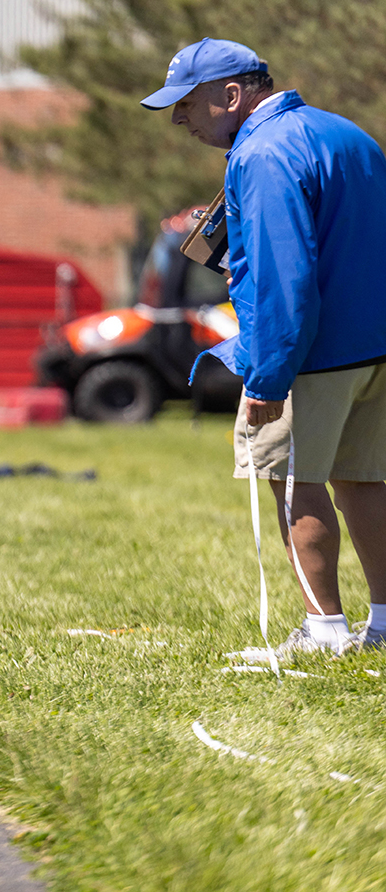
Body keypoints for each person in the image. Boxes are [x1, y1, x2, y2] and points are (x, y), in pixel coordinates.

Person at [144, 37, 386, 657]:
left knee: (291, 479)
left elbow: (286, 277)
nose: (179, 121)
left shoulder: (261, 153)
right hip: (375, 347)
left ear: (230, 95)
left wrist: (266, 378)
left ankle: (325, 631)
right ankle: (382, 627)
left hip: (309, 354)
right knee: (366, 481)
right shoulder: (348, 134)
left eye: (187, 105)